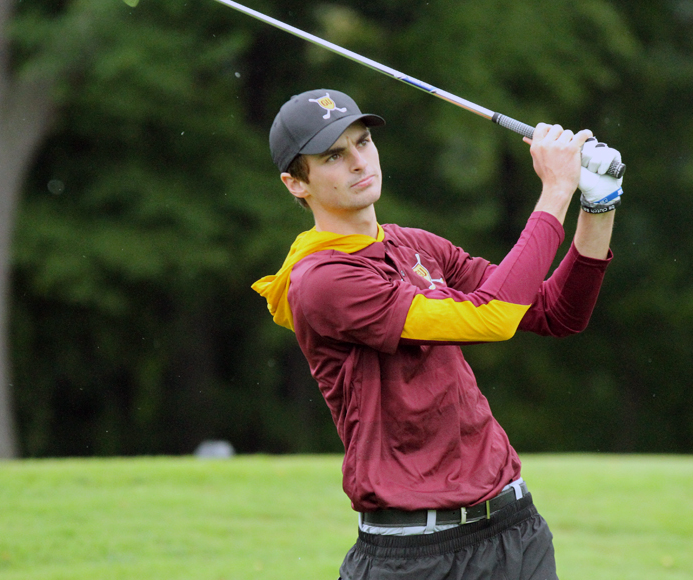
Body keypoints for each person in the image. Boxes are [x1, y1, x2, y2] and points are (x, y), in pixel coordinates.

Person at [252, 89, 622, 580]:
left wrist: (598, 205)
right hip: (412, 554)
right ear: (296, 183)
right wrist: (556, 191)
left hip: (514, 530)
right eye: (334, 156)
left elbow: (556, 312)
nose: (359, 162)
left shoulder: (415, 245)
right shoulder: (322, 281)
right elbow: (491, 317)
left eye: (363, 142)